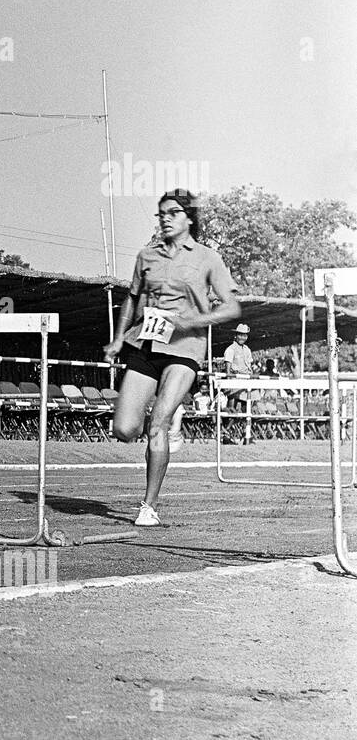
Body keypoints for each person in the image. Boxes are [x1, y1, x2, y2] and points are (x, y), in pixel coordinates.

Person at [104, 190, 241, 526]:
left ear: (190, 217)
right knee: (123, 429)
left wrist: (190, 321)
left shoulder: (208, 258)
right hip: (146, 345)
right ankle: (169, 413)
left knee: (158, 423)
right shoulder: (146, 255)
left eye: (173, 212)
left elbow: (232, 307)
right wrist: (119, 338)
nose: (165, 218)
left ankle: (148, 506)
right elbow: (131, 298)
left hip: (184, 349)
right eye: (160, 213)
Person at [222, 322, 255, 442]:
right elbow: (227, 368)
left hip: (246, 382)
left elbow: (250, 366)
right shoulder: (230, 349)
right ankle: (225, 435)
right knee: (231, 409)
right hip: (234, 381)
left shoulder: (247, 349)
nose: (243, 337)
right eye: (240, 335)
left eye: (245, 335)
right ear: (236, 335)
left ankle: (247, 435)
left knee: (248, 409)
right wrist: (229, 383)